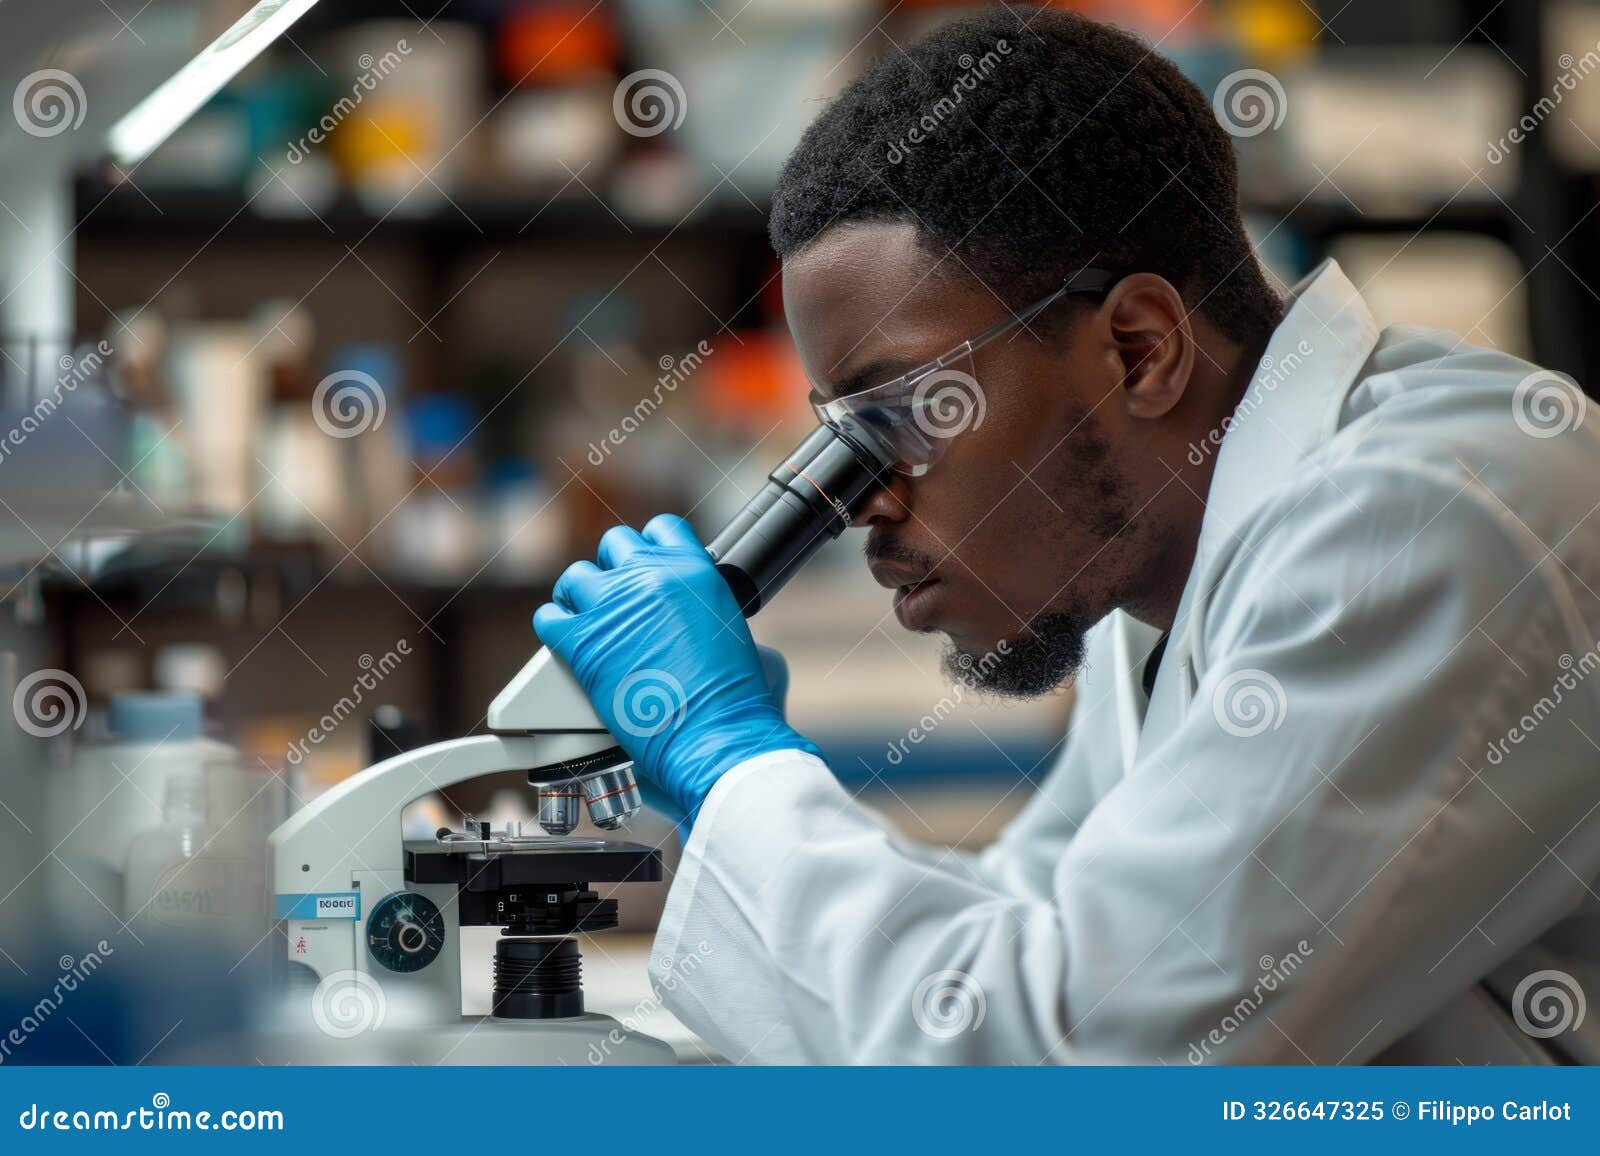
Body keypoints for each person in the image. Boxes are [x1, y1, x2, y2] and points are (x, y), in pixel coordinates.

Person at [534, 6, 1600, 1063]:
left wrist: (732, 766)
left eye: (899, 420)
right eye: (838, 443)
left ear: (1137, 349)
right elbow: (1036, 923)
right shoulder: (1167, 575)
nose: (863, 501)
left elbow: (1077, 1064)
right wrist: (736, 813)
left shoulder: (1424, 516)